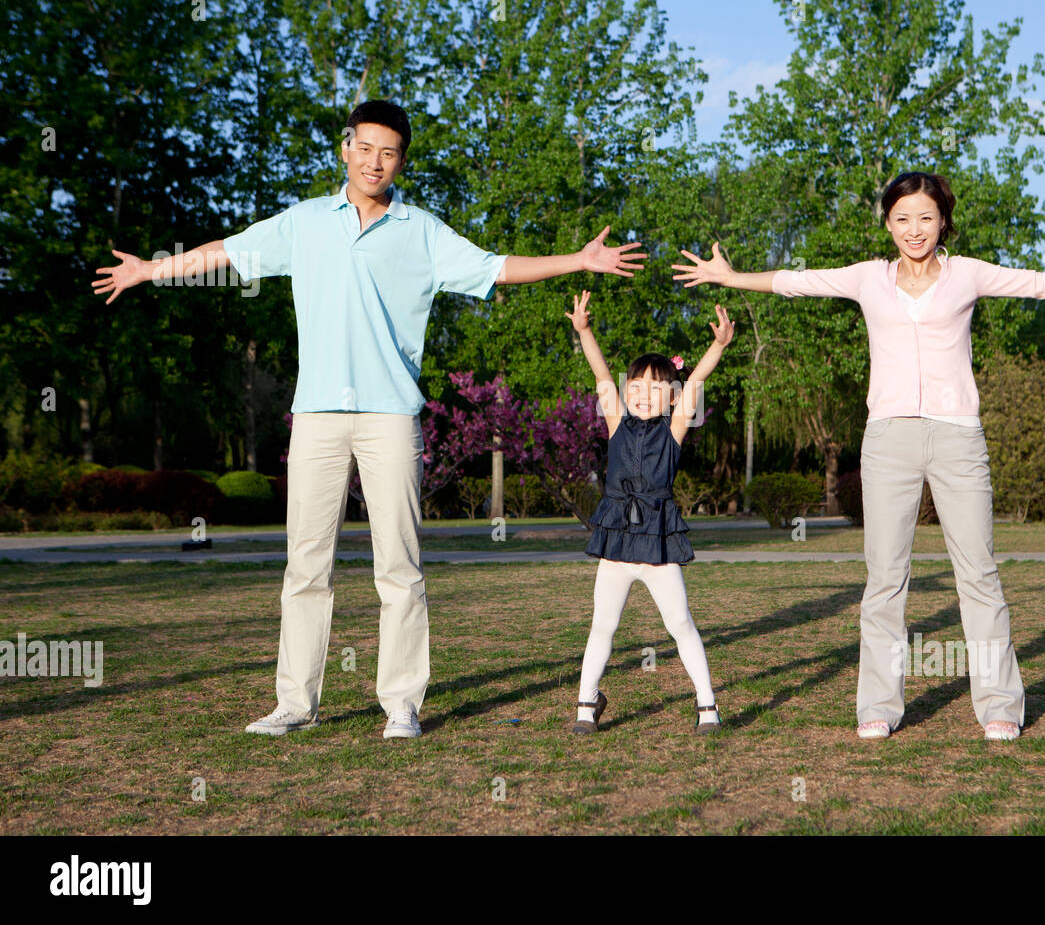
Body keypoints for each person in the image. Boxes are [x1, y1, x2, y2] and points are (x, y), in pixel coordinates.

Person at [91, 100, 645, 739]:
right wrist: (149, 270)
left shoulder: (422, 231)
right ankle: (295, 703)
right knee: (305, 566)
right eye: (366, 148)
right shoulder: (303, 223)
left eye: (390, 153)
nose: (376, 161)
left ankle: (402, 705)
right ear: (345, 149)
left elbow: (496, 267)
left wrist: (576, 261)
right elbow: (228, 252)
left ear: (400, 163)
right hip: (318, 416)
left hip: (389, 417)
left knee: (399, 567)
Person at [672, 171, 1045, 741]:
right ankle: (879, 705)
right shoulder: (868, 278)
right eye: (901, 218)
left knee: (979, 575)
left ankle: (998, 705)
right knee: (885, 578)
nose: (913, 229)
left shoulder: (967, 274)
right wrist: (731, 277)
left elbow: (1043, 283)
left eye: (925, 217)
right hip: (888, 438)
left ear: (942, 220)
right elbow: (797, 281)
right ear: (887, 222)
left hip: (958, 438)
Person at [564, 289, 730, 735]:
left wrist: (717, 346)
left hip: (657, 543)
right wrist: (584, 331)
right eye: (635, 385)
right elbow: (600, 374)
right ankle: (586, 705)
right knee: (604, 625)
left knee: (680, 623)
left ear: (672, 398)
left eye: (656, 387)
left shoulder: (675, 430)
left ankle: (707, 706)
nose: (642, 393)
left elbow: (695, 383)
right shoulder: (616, 420)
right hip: (616, 543)